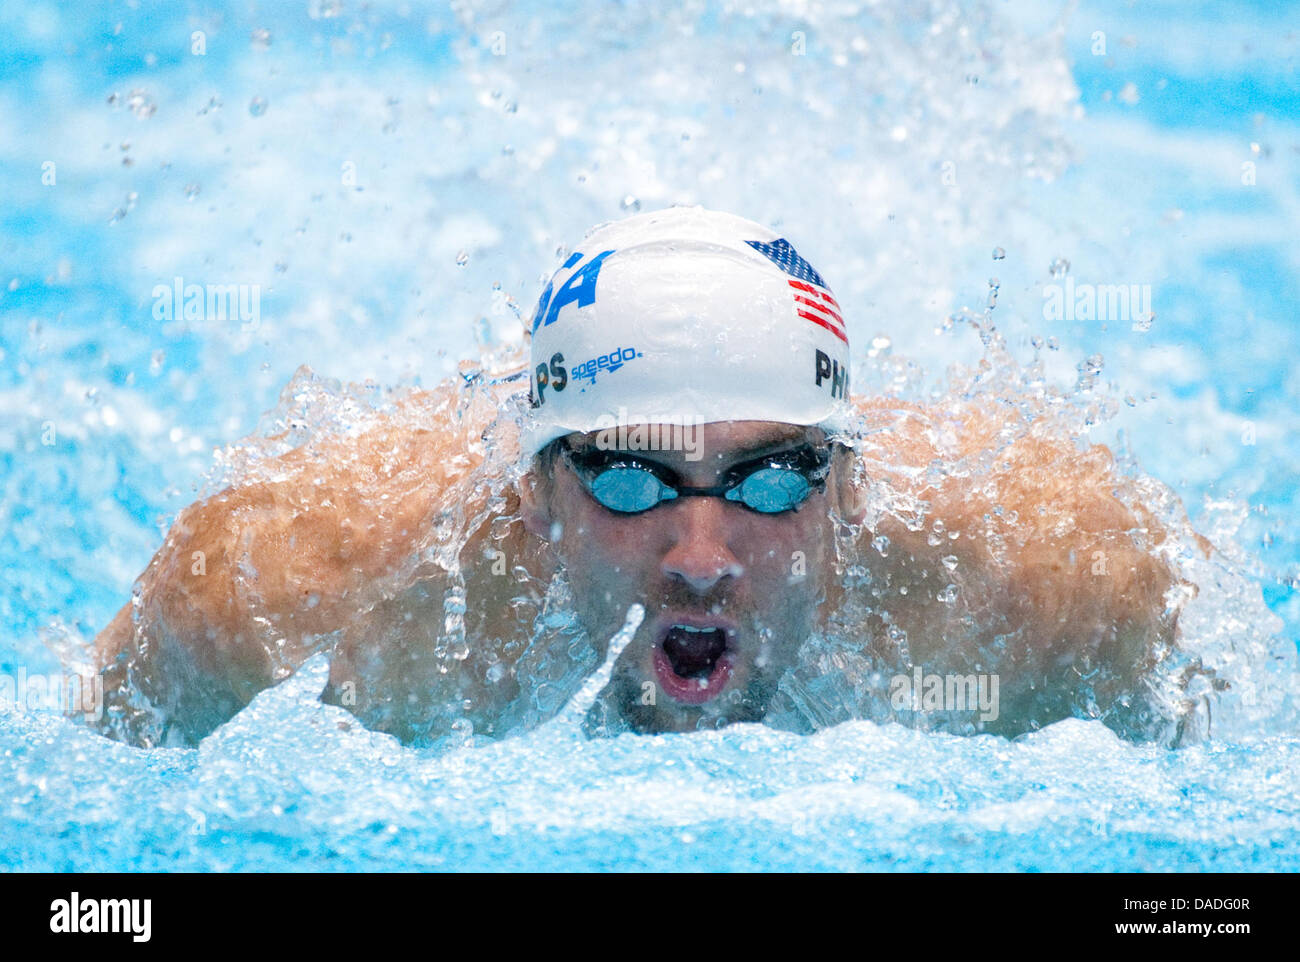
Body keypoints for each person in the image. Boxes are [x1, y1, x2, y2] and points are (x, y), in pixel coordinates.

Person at [92, 207, 1191, 747]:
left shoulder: (1053, 598)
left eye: (768, 480)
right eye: (630, 481)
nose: (702, 557)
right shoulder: (290, 608)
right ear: (533, 491)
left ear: (849, 492)